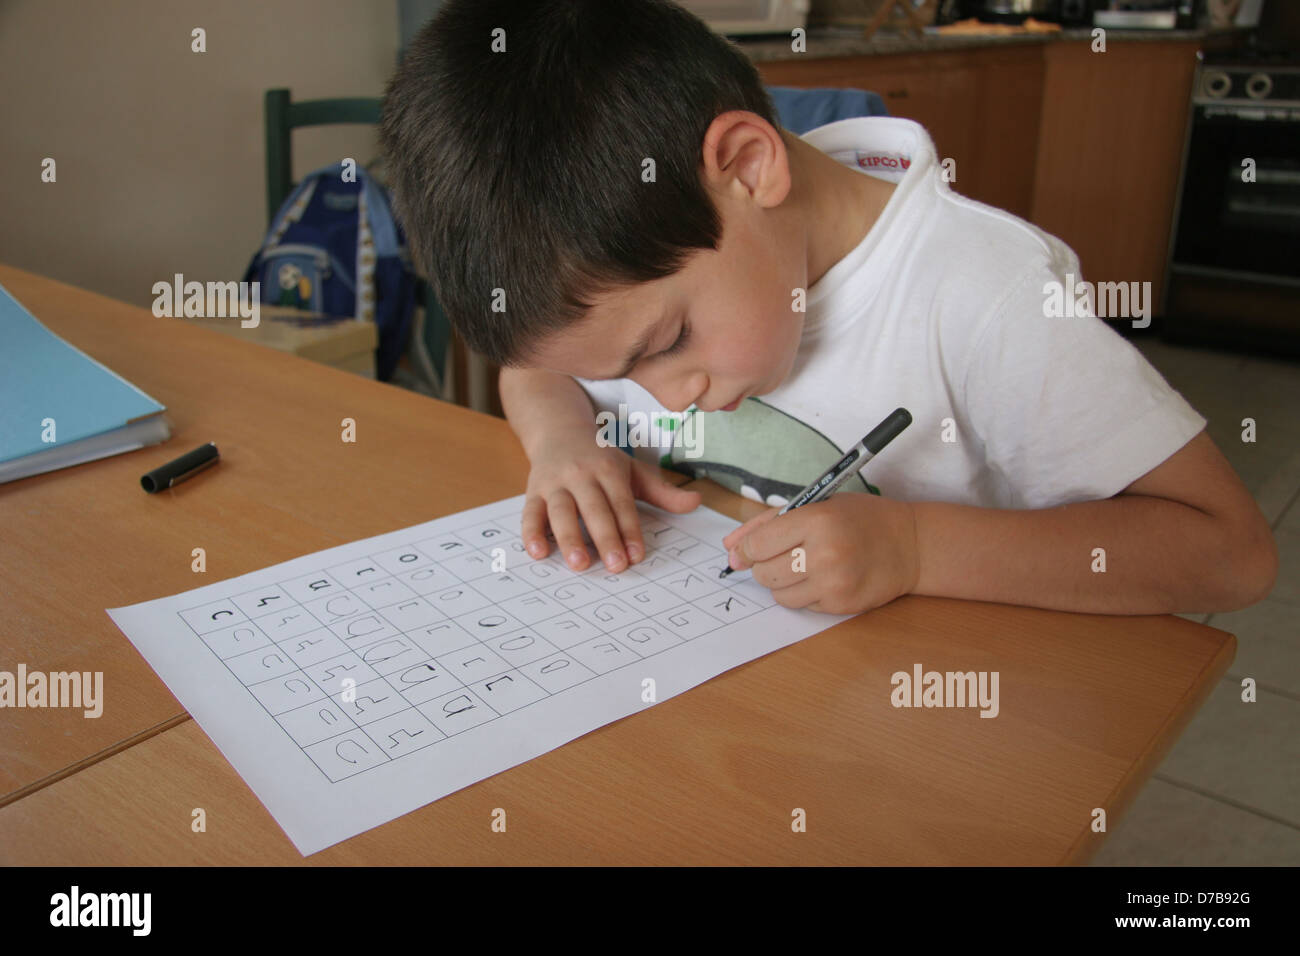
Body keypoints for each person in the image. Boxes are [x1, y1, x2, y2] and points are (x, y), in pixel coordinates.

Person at [379, 0, 1276, 616]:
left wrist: (917, 551)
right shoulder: (640, 285)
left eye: (669, 343)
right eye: (615, 375)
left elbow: (1229, 553)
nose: (668, 397)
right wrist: (562, 441)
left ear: (747, 168)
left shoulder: (988, 296)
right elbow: (537, 364)